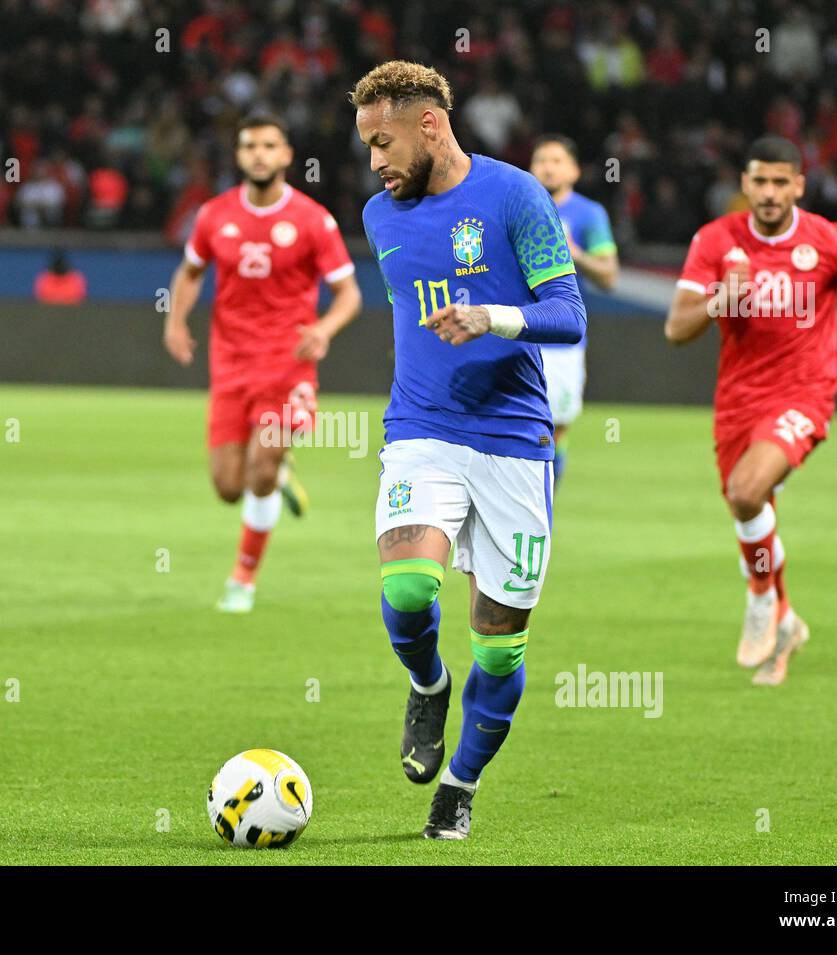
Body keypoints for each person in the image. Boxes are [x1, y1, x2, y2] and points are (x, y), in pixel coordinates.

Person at [351, 61, 586, 839]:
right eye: (365, 147)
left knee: (501, 646)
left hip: (516, 441)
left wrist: (493, 315)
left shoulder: (514, 195)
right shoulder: (380, 215)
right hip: (421, 429)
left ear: (430, 124)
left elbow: (568, 314)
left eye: (383, 142)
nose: (375, 163)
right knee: (411, 586)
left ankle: (460, 782)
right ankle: (427, 681)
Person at [665, 135, 837, 685]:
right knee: (751, 511)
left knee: (747, 493)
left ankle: (761, 602)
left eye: (782, 182)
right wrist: (718, 302)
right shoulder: (716, 241)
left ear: (799, 185)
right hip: (737, 402)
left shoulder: (828, 239)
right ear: (745, 184)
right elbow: (676, 329)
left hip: (804, 394)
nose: (771, 193)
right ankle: (786, 622)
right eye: (761, 181)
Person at [164, 114, 361, 614]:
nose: (259, 154)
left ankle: (242, 580)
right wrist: (175, 320)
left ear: (286, 155)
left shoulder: (313, 220)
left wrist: (323, 329)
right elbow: (190, 272)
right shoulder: (214, 215)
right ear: (238, 155)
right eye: (250, 145)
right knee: (229, 487)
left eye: (269, 145)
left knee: (259, 469)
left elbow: (348, 294)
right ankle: (277, 472)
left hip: (286, 364)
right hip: (230, 362)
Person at [529, 134, 618, 483]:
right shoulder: (517, 207)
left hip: (562, 339)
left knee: (555, 431)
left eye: (556, 160)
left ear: (575, 170)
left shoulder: (588, 213)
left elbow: (609, 276)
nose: (547, 167)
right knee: (520, 430)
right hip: (518, 334)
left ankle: (545, 508)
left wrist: (576, 254)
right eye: (540, 160)